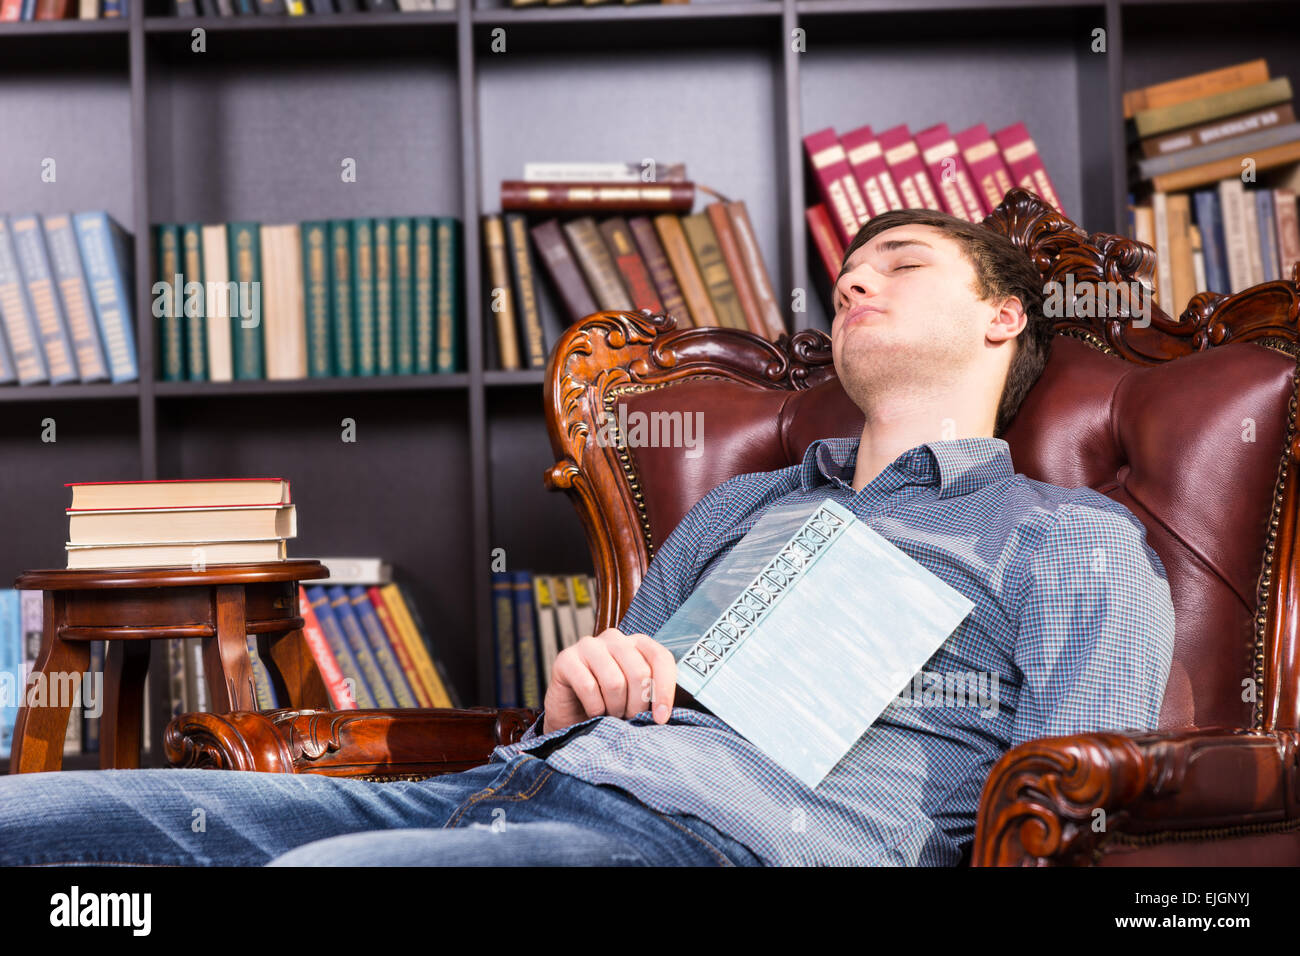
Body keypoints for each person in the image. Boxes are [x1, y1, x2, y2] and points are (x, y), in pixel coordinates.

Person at [0, 208, 1175, 867]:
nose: (854, 284)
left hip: (726, 843)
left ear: (1003, 315)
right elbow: (618, 689)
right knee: (41, 826)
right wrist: (581, 689)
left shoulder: (1064, 537)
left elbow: (1078, 811)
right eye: (845, 273)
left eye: (899, 266)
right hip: (510, 790)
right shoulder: (744, 506)